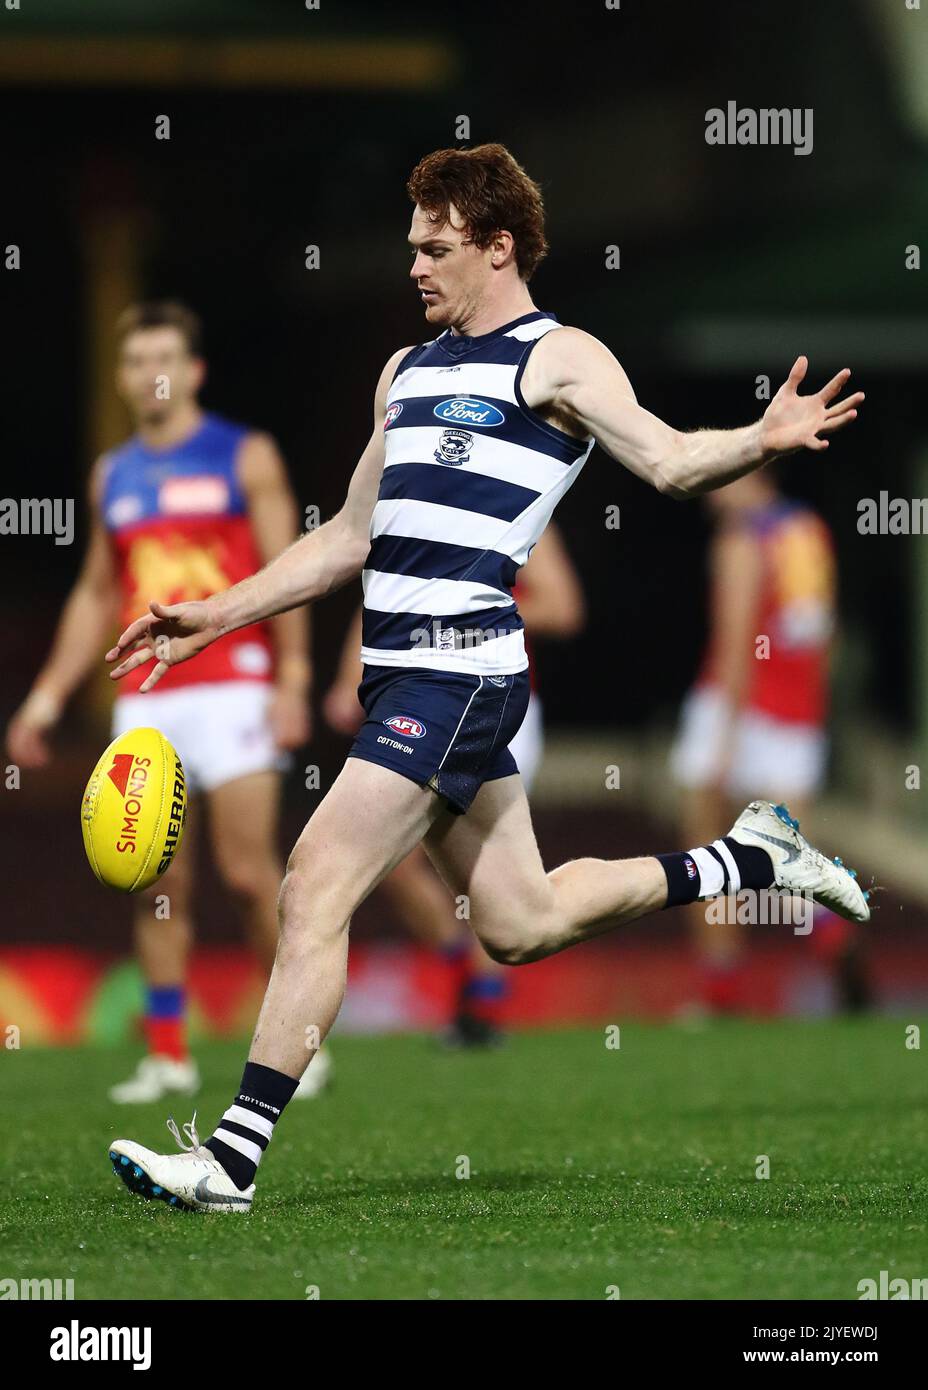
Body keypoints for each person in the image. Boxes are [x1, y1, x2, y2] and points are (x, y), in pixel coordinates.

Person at [103, 144, 868, 1212]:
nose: (413, 264)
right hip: (400, 680)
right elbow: (349, 538)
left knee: (312, 879)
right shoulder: (405, 372)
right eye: (413, 244)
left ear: (496, 246)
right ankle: (746, 855)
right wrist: (211, 613)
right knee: (520, 922)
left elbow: (667, 458)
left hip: (461, 675)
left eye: (434, 245)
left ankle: (229, 1160)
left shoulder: (558, 357)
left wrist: (760, 435)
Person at [6, 300, 327, 1103]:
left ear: (192, 371)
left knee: (252, 874)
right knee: (155, 880)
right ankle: (167, 1053)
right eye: (134, 359)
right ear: (121, 376)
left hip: (238, 686)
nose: (150, 372)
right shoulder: (113, 474)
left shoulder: (244, 456)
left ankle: (294, 1043)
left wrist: (293, 680)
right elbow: (95, 593)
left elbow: (294, 570)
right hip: (147, 700)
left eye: (164, 357)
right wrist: (44, 698)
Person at [322, 521, 586, 1045]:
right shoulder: (409, 502)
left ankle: (482, 999)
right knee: (393, 864)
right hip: (417, 700)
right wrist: (345, 677)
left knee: (486, 871)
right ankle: (473, 978)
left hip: (491, 703)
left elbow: (562, 607)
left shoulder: (522, 504)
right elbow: (384, 595)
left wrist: (464, 623)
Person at [671, 469, 869, 1013]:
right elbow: (822, 633)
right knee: (788, 856)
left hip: (739, 707)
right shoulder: (806, 530)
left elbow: (737, 639)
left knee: (703, 846)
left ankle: (720, 989)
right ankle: (833, 932)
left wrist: (725, 739)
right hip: (797, 712)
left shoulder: (741, 536)